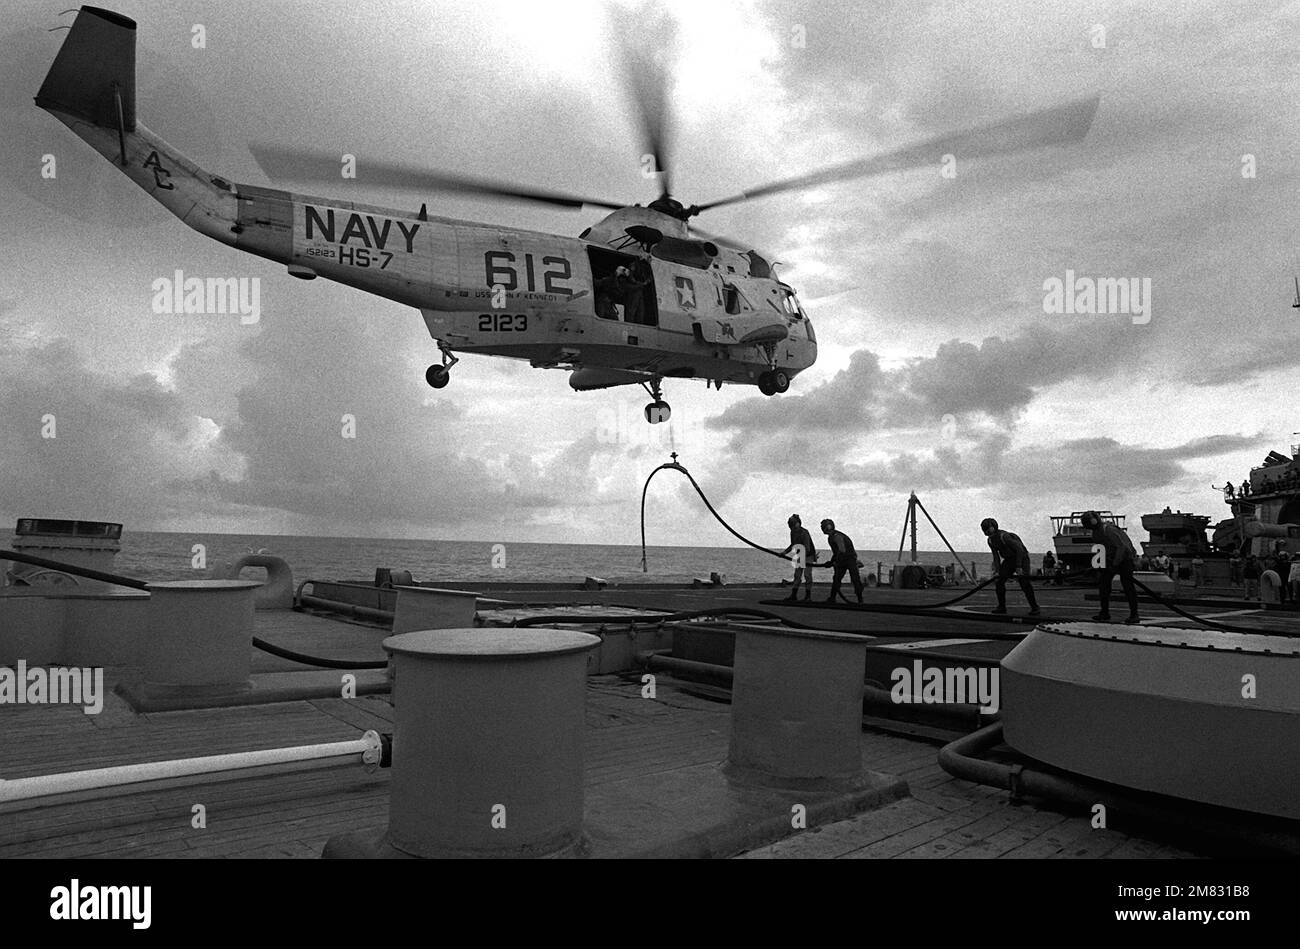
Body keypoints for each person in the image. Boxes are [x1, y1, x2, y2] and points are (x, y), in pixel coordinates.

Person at [1082, 510, 1140, 624]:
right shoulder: (1096, 533)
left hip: (1125, 559)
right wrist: (1096, 566)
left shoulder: (1109, 530)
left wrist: (1115, 564)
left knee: (1128, 586)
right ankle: (1104, 613)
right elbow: (1100, 551)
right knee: (1103, 585)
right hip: (1111, 559)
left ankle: (1134, 614)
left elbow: (1121, 548)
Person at [981, 518, 1040, 616]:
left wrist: (1019, 566)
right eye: (985, 530)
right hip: (1008, 560)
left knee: (1024, 581)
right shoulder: (991, 540)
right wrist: (997, 571)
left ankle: (1035, 607)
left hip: (1021, 557)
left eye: (988, 529)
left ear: (993, 527)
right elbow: (996, 556)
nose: (986, 532)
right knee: (999, 582)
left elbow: (1019, 550)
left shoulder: (1004, 536)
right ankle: (1001, 607)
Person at [820, 519, 863, 604]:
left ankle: (860, 599)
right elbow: (837, 552)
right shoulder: (832, 536)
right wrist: (832, 561)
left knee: (854, 579)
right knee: (837, 579)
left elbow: (842, 550)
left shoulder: (836, 536)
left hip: (849, 559)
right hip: (844, 560)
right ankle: (832, 598)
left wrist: (834, 561)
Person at [779, 514, 817, 602]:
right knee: (797, 576)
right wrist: (784, 553)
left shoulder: (804, 532)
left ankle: (808, 596)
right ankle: (793, 595)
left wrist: (801, 558)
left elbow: (807, 548)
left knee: (807, 575)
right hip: (800, 554)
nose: (793, 528)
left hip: (808, 555)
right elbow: (793, 545)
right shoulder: (792, 532)